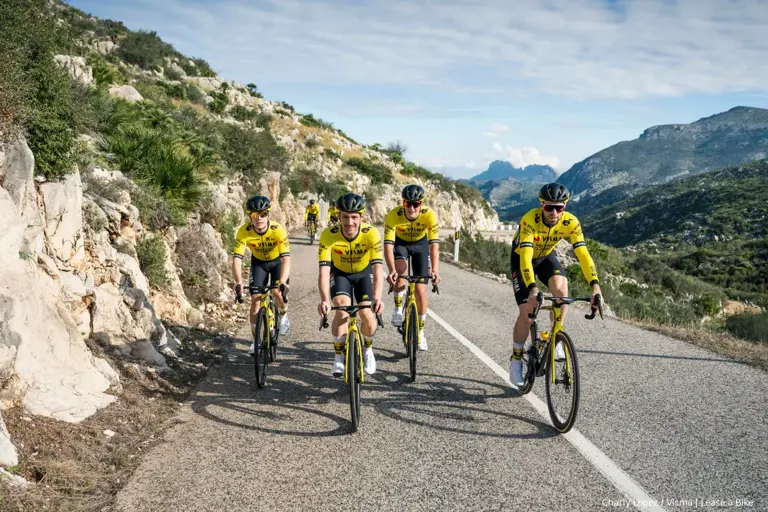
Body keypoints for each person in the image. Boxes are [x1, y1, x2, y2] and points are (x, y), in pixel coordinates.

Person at [508, 183, 602, 387]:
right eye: (549, 207)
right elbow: (525, 258)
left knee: (562, 292)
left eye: (559, 207)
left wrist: (595, 286)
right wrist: (533, 288)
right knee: (527, 312)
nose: (554, 212)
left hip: (545, 257)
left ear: (565, 207)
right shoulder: (529, 220)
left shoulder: (571, 222)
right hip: (522, 258)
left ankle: (556, 336)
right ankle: (516, 359)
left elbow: (583, 255)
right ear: (541, 205)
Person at [317, 193, 384, 376]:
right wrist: (324, 299)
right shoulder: (328, 235)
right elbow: (324, 271)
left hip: (363, 274)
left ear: (362, 217)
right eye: (345, 217)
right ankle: (339, 358)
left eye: (354, 217)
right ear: (338, 216)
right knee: (341, 307)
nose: (349, 222)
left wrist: (378, 298)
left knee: (367, 313)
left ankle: (368, 350)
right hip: (340, 274)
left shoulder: (371, 233)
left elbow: (378, 270)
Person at [383, 184, 441, 351]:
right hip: (401, 244)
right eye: (408, 204)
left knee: (421, 291)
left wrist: (435, 270)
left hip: (420, 246)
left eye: (416, 204)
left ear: (421, 204)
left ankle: (421, 332)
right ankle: (397, 308)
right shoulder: (394, 215)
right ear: (403, 203)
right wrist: (391, 269)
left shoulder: (429, 215)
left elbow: (434, 246)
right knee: (400, 269)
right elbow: (388, 245)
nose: (412, 208)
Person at [232, 195, 292, 355]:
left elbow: (286, 259)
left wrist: (284, 282)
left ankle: (284, 314)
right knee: (256, 300)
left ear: (268, 215)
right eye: (254, 215)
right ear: (249, 216)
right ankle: (255, 341)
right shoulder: (244, 231)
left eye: (263, 214)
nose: (259, 218)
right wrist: (238, 282)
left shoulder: (277, 230)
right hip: (258, 264)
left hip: (277, 262)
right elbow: (237, 259)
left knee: (276, 292)